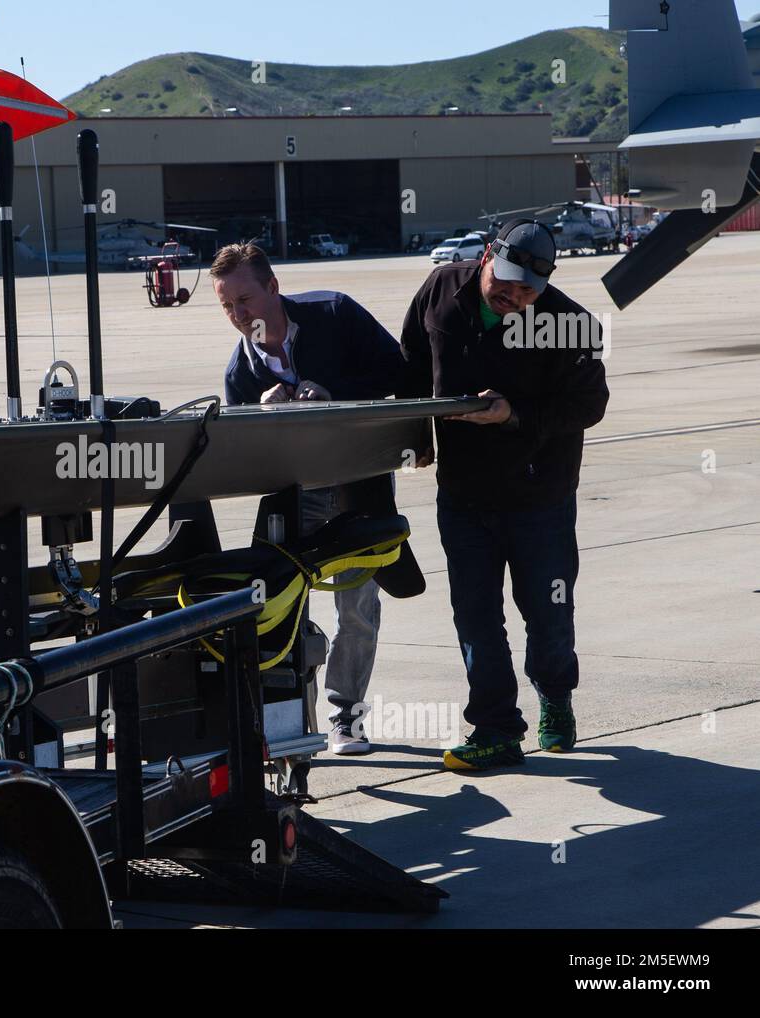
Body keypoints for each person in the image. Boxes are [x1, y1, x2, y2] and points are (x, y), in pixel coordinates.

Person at [397, 219, 609, 770]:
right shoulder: (442, 288)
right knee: (475, 617)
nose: (513, 298)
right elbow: (412, 363)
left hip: (540, 498)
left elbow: (588, 406)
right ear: (488, 255)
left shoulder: (570, 325)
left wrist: (514, 414)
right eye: (506, 284)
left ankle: (555, 696)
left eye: (527, 293)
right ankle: (495, 730)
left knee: (548, 614)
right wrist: (416, 435)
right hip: (463, 494)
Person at [211, 242, 405, 754]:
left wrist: (333, 393)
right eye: (226, 306)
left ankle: (346, 716)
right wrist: (258, 415)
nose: (238, 315)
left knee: (357, 607)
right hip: (295, 496)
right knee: (284, 608)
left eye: (245, 300)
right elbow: (244, 459)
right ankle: (295, 719)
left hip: (359, 482)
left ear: (274, 288)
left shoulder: (334, 313)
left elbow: (398, 370)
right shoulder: (240, 374)